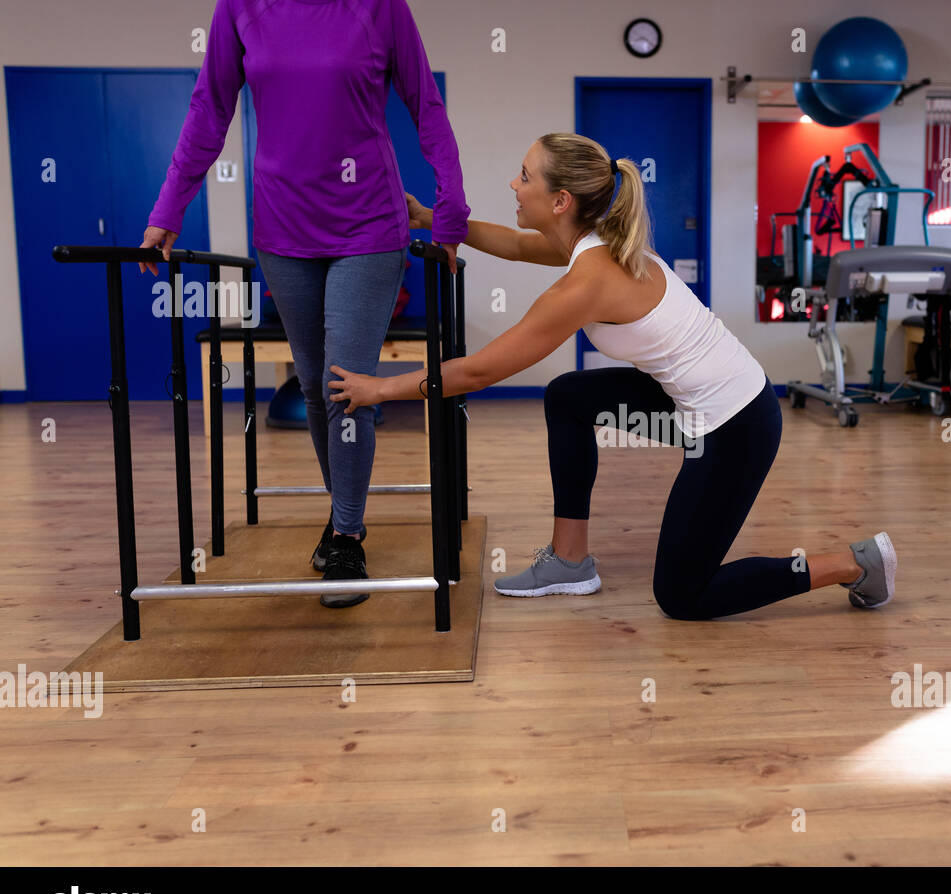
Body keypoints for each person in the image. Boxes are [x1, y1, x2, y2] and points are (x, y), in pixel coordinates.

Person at [327, 133, 895, 620]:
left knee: (682, 595)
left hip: (736, 425)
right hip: (690, 405)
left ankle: (853, 563)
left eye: (524, 176)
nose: (512, 184)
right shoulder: (592, 243)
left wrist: (381, 387)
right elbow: (521, 245)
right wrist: (433, 219)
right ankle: (570, 561)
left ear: (560, 201)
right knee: (570, 397)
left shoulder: (588, 279)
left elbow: (479, 370)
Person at [139, 0, 469, 608]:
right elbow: (209, 109)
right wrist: (168, 210)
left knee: (347, 382)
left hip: (368, 221)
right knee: (314, 383)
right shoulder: (240, 8)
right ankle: (345, 514)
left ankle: (346, 536)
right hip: (283, 224)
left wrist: (452, 201)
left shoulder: (379, 8)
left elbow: (426, 104)